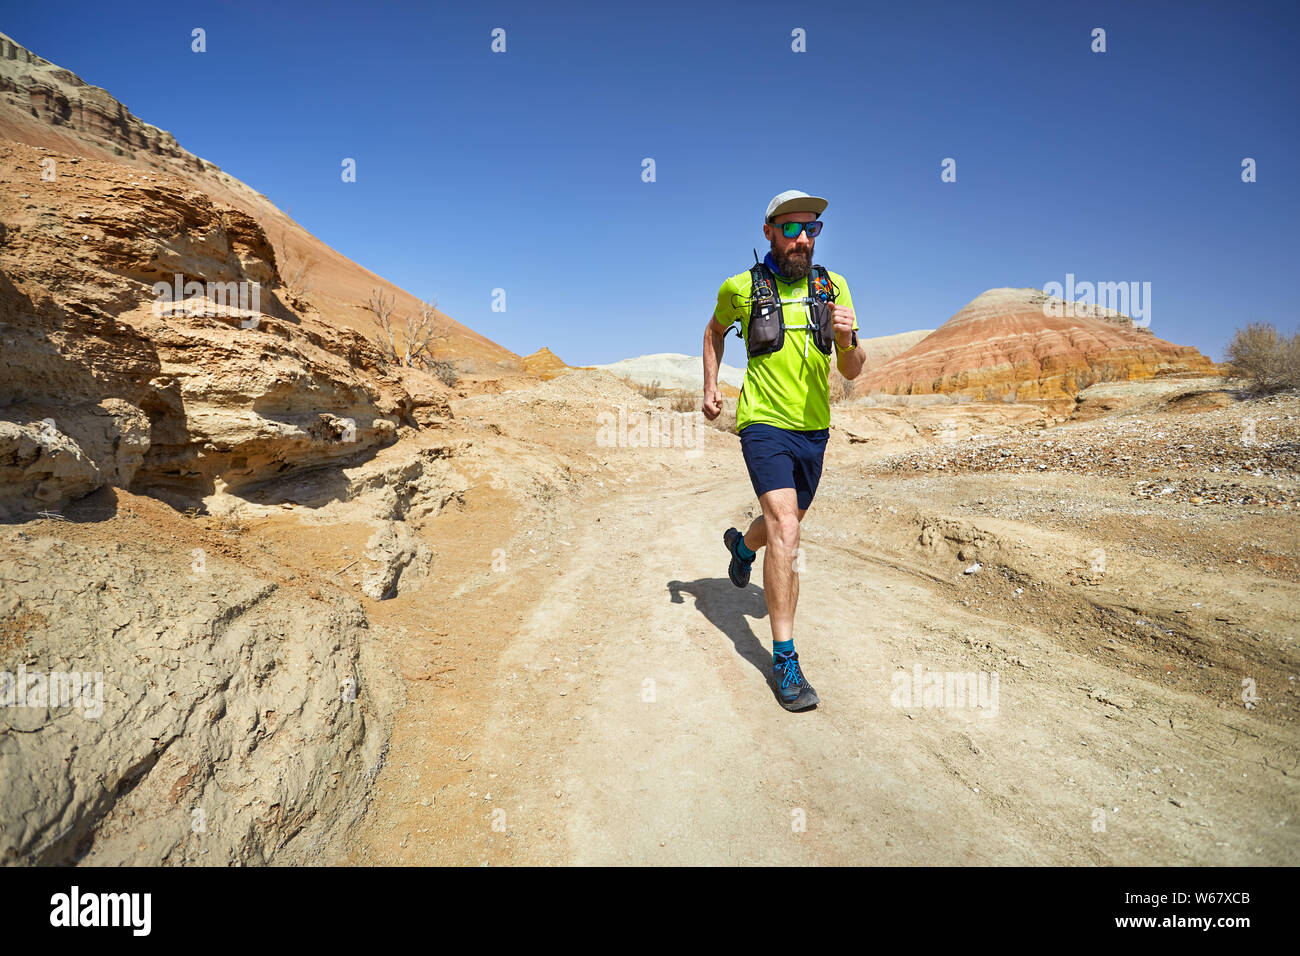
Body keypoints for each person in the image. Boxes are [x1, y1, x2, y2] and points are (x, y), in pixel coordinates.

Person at [702, 189, 865, 711]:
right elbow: (713, 331)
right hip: (763, 423)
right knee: (787, 528)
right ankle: (786, 659)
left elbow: (853, 369)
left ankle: (743, 548)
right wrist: (711, 386)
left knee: (781, 525)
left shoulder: (833, 287)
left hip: (814, 429)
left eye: (811, 229)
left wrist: (848, 340)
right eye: (791, 228)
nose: (802, 238)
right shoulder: (740, 288)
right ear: (769, 231)